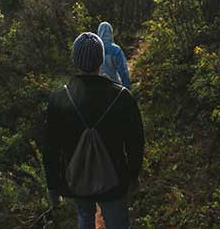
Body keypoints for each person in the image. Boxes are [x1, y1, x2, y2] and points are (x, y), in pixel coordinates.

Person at [43, 32, 144, 229]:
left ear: (74, 59)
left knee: (84, 214)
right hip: (115, 179)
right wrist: (133, 175)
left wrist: (53, 186)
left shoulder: (60, 98)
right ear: (101, 59)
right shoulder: (122, 97)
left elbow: (51, 148)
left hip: (77, 179)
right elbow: (135, 141)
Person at [97, 21, 131, 88]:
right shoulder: (116, 49)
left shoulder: (95, 48)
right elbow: (123, 69)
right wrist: (126, 86)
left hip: (97, 86)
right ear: (111, 32)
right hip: (114, 86)